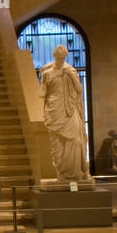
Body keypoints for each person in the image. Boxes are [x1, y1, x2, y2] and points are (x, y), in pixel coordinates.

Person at [40, 44, 89, 182]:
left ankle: (75, 173)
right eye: (58, 57)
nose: (61, 60)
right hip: (54, 110)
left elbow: (79, 90)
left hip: (69, 110)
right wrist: (43, 78)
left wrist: (71, 77)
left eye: (63, 57)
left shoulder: (70, 71)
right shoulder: (47, 73)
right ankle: (62, 172)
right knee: (57, 145)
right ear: (54, 56)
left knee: (76, 140)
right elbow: (43, 93)